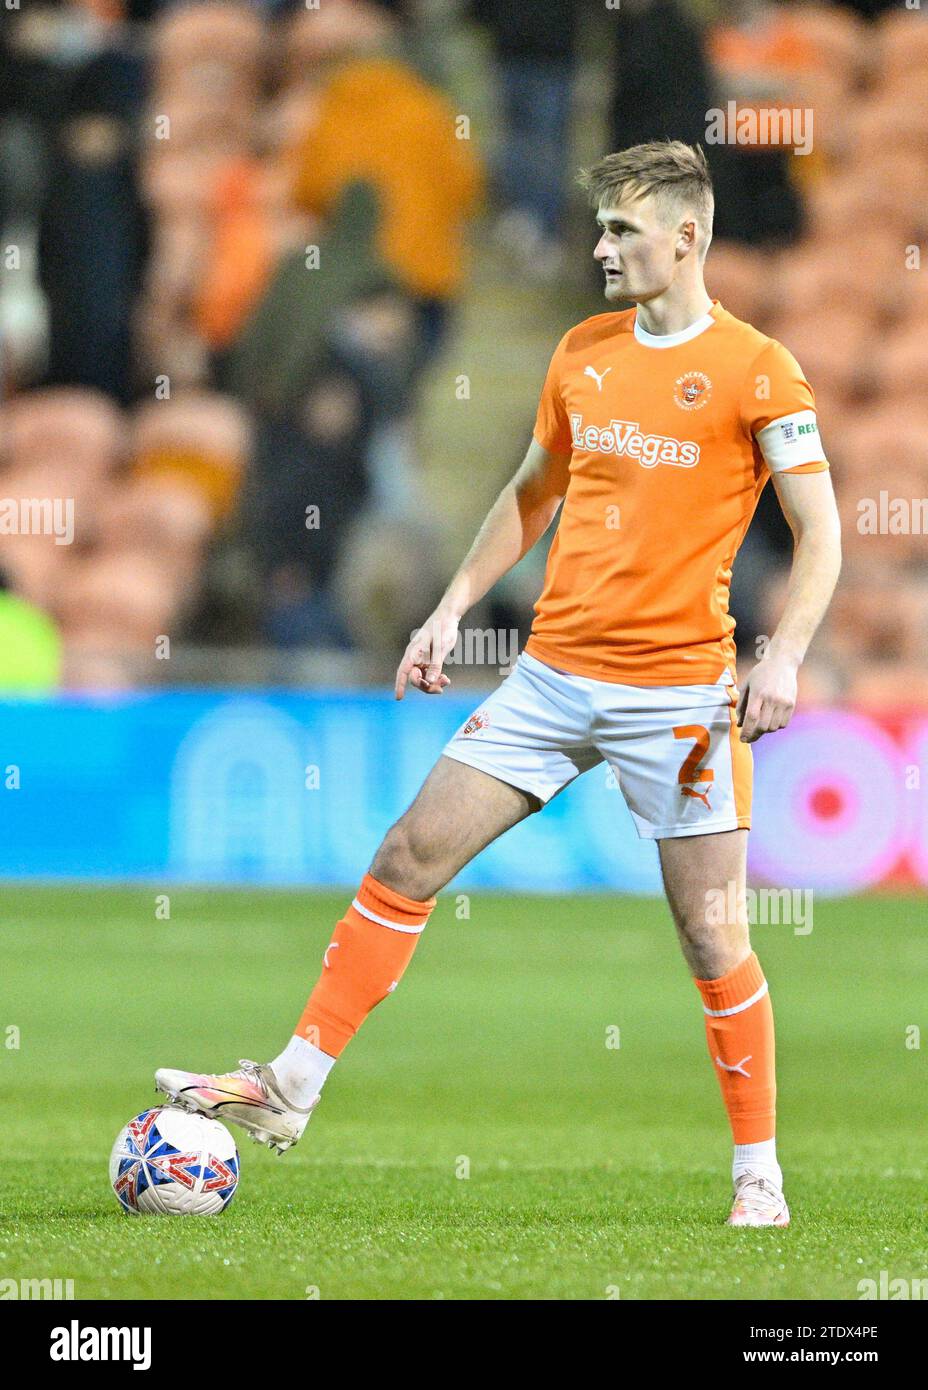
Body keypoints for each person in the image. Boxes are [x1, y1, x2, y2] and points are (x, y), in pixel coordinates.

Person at [156, 141, 842, 1228]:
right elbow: (531, 493)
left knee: (712, 934)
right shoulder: (582, 352)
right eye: (600, 227)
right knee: (407, 856)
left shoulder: (759, 369)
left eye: (623, 229)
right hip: (551, 675)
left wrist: (787, 651)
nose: (602, 246)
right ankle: (291, 1085)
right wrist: (446, 611)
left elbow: (820, 532)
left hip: (678, 696)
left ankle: (757, 1170)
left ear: (687, 237)